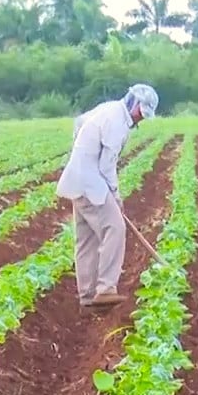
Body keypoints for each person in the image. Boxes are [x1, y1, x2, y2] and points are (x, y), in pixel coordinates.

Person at [56, 83, 158, 308]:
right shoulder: (117, 122)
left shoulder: (109, 109)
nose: (140, 119)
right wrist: (116, 197)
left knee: (87, 239)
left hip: (78, 179)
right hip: (92, 184)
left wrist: (81, 153)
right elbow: (106, 166)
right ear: (133, 103)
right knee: (116, 227)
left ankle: (87, 297)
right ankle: (106, 288)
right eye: (140, 113)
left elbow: (79, 122)